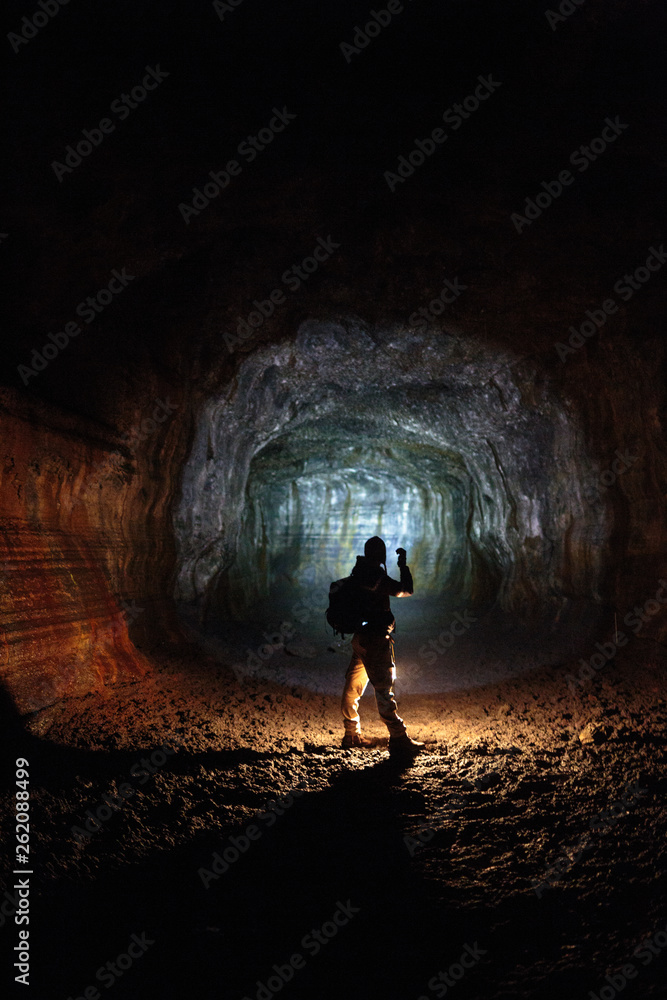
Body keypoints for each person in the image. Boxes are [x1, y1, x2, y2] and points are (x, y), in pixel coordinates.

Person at [341, 536, 424, 755]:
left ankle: (351, 733)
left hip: (360, 639)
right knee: (384, 689)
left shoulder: (357, 573)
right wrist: (403, 565)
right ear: (381, 555)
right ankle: (398, 737)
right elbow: (406, 589)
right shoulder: (376, 575)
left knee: (353, 687)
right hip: (376, 641)